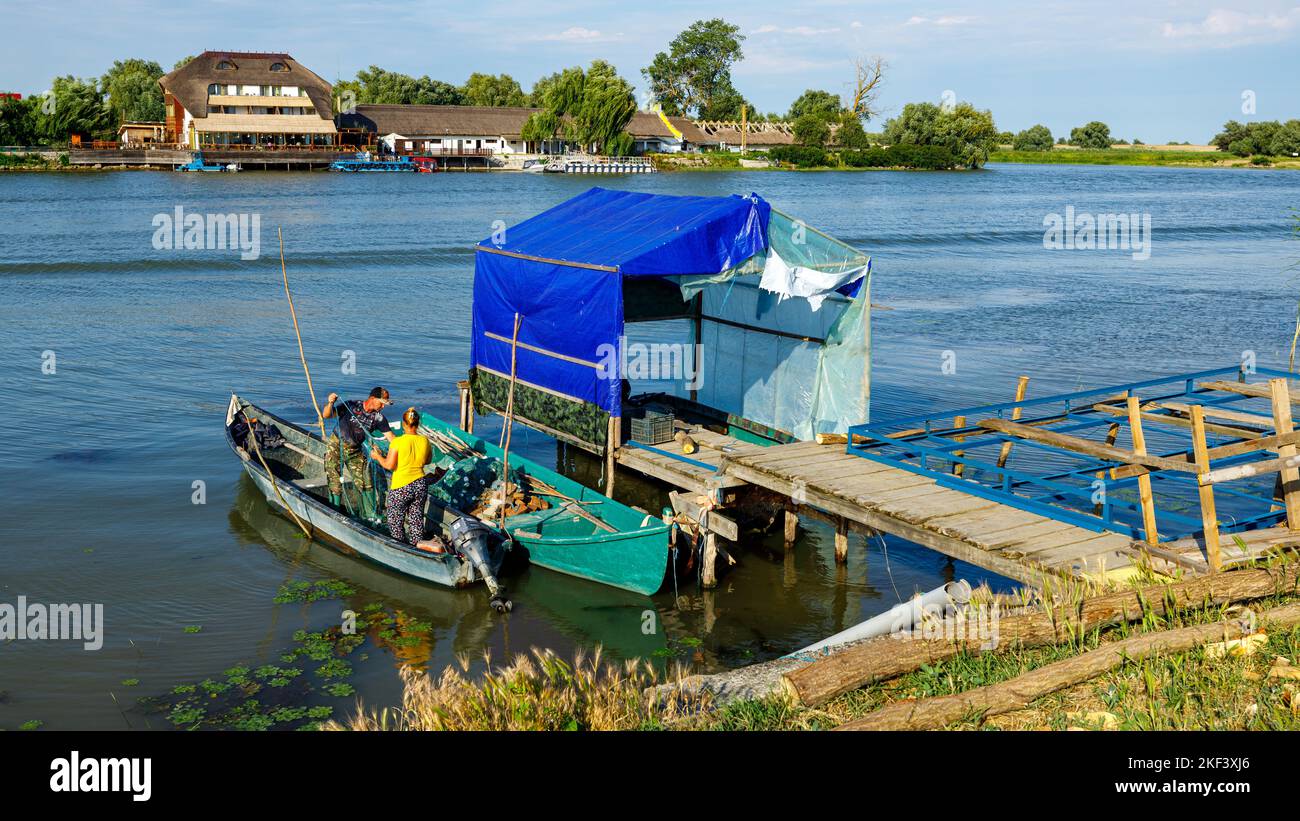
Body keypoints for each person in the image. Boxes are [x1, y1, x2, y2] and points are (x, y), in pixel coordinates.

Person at [371, 406, 442, 552]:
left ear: (404, 424)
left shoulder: (397, 442)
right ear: (418, 424)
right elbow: (427, 460)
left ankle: (402, 550)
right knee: (416, 520)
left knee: (395, 523)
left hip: (401, 486)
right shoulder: (424, 441)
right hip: (420, 484)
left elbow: (389, 465)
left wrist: (377, 456)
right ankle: (420, 546)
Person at [322, 387, 395, 518]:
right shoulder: (351, 405)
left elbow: (392, 439)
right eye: (382, 402)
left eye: (385, 403)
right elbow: (327, 415)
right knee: (334, 480)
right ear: (372, 399)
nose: (383, 406)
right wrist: (330, 403)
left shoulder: (379, 418)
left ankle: (369, 514)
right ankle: (335, 511)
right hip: (336, 446)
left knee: (366, 480)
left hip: (355, 451)